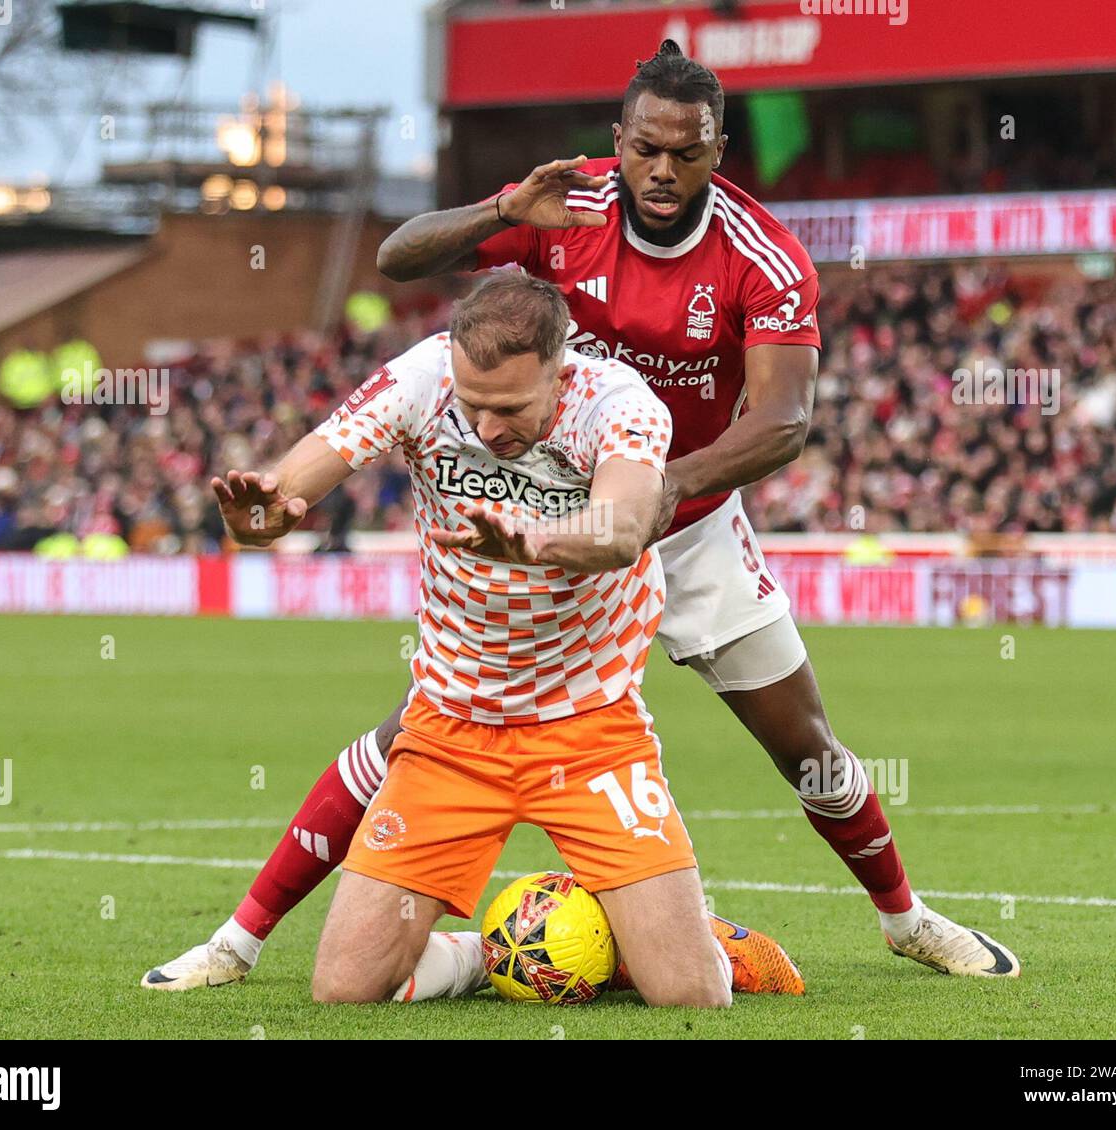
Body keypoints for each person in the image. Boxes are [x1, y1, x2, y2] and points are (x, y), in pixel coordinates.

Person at [146, 41, 1018, 991]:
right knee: (421, 727)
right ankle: (240, 939)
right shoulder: (569, 206)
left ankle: (906, 921)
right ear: (618, 139)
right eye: (646, 148)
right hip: (533, 518)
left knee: (802, 741)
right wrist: (501, 210)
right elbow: (400, 260)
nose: (662, 171)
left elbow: (782, 422)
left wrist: (649, 498)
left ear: (717, 151)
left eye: (686, 153)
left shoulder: (762, 257)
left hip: (685, 516)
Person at [147, 273, 801, 1003]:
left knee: (690, 995)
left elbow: (624, 527)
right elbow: (294, 482)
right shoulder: (422, 377)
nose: (488, 429)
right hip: (452, 727)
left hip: (590, 727)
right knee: (343, 989)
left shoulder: (620, 403)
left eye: (512, 408)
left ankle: (677, 941)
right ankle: (482, 956)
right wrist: (260, 519)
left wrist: (536, 545)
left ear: (560, 368)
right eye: (474, 405)